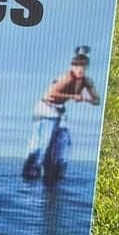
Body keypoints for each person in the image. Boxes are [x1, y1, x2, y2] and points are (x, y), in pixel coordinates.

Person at [22, 46, 100, 181]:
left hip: (59, 111)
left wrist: (86, 99)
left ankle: (53, 178)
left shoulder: (87, 81)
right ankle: (29, 178)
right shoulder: (66, 78)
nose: (80, 69)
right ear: (72, 66)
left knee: (60, 148)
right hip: (46, 109)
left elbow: (97, 100)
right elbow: (52, 93)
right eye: (77, 65)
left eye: (83, 65)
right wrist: (72, 96)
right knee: (40, 147)